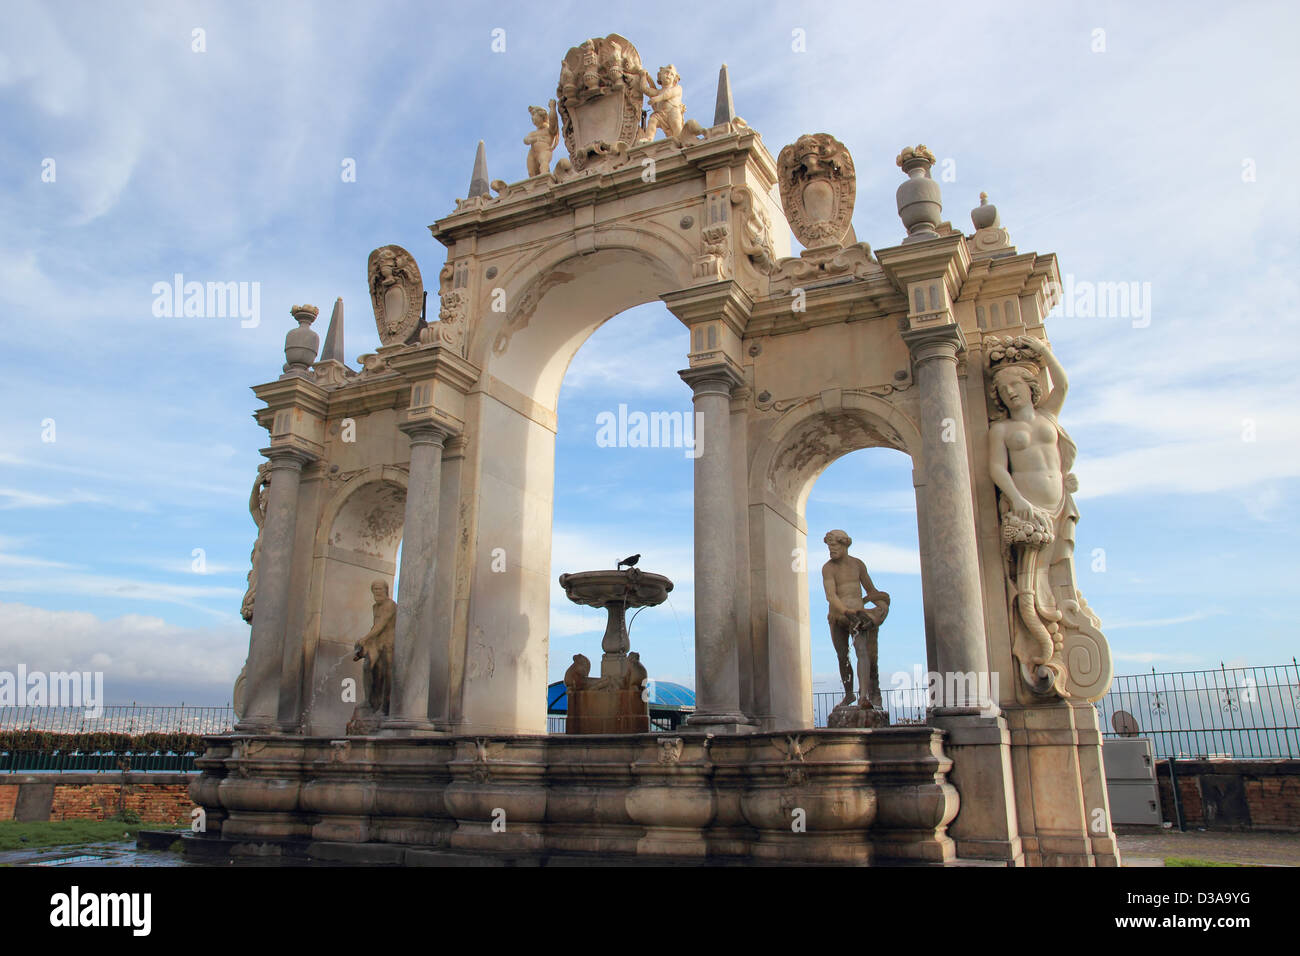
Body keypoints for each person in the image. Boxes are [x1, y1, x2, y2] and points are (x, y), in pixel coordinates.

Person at [821, 530, 890, 708]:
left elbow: (870, 589)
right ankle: (849, 694)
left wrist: (881, 601)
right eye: (829, 547)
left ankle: (863, 696)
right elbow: (831, 596)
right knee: (842, 656)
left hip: (858, 616)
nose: (831, 550)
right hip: (838, 616)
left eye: (834, 546)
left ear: (844, 545)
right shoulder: (828, 568)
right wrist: (846, 612)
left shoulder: (857, 565)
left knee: (862, 652)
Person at [353, 580, 397, 718]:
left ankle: (385, 707)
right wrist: (363, 644)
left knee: (386, 675)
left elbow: (382, 624)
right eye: (375, 589)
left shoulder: (390, 605)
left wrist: (366, 638)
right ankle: (369, 701)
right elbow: (375, 626)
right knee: (368, 668)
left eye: (380, 589)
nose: (377, 592)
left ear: (386, 590)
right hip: (377, 643)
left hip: (388, 644)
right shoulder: (375, 607)